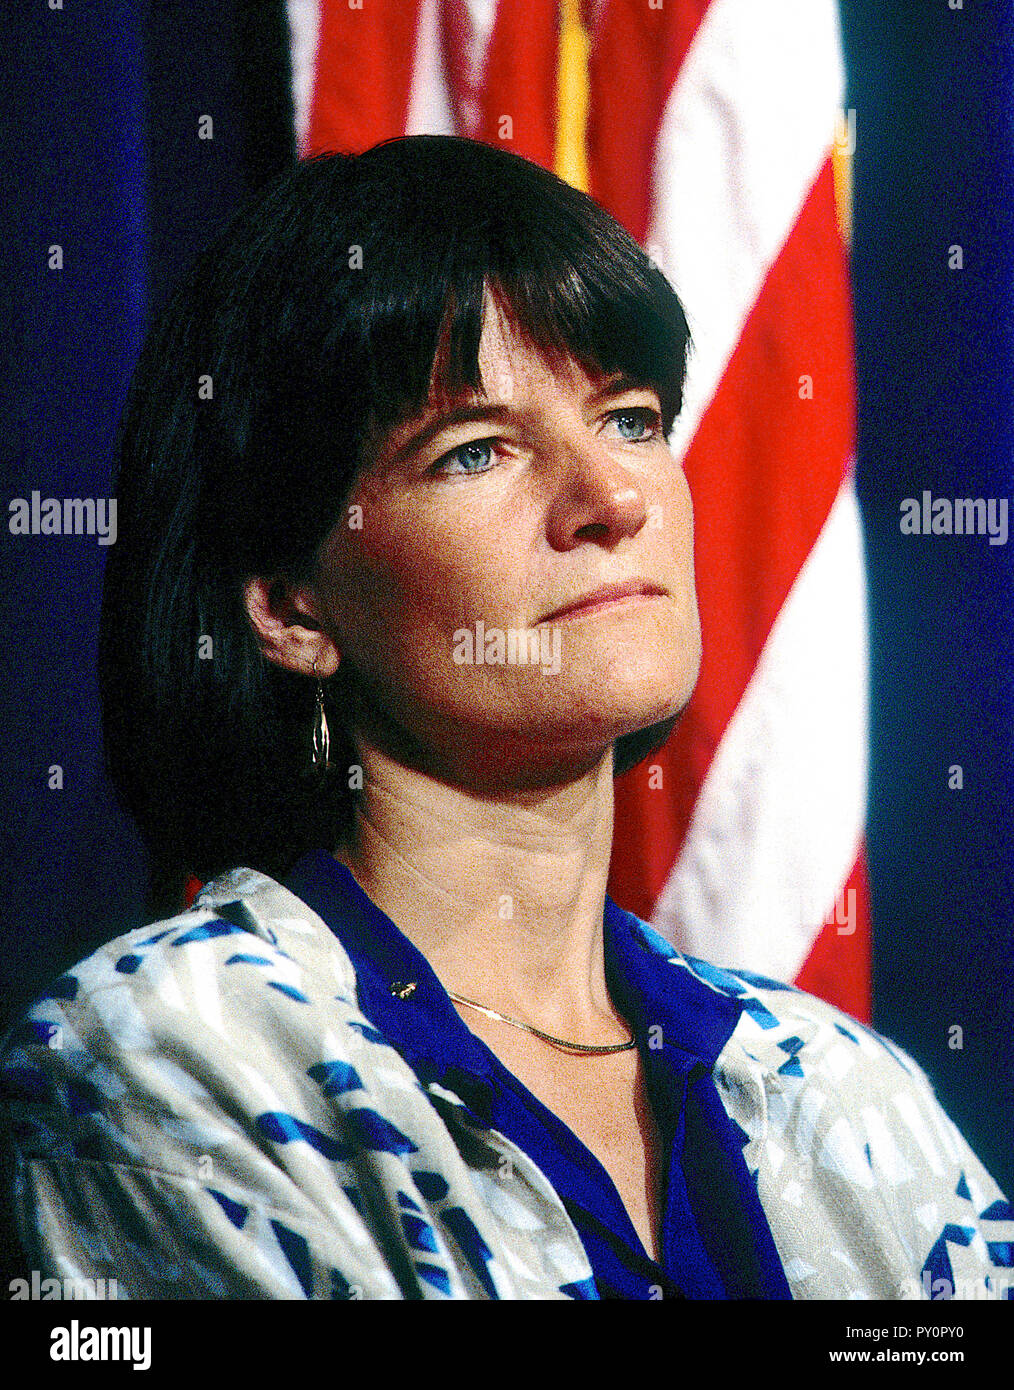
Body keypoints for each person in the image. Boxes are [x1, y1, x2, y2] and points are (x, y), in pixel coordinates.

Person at [1, 136, 1009, 1301]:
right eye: (475, 450)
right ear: (289, 606)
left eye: (630, 418)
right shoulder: (172, 1054)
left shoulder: (837, 1083)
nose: (615, 498)